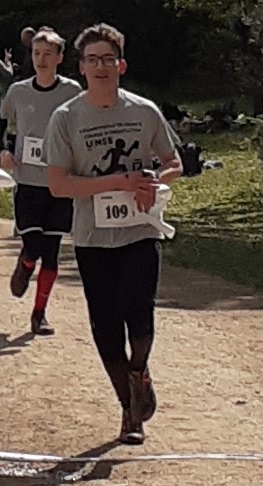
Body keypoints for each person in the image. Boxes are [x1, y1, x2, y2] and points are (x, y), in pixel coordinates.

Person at [45, 23, 182, 445]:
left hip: (140, 230)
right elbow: (58, 184)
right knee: (106, 326)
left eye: (108, 59)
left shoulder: (144, 111)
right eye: (93, 60)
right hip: (93, 237)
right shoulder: (66, 118)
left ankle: (139, 371)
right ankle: (129, 411)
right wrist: (116, 182)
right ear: (81, 68)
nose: (101, 67)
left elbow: (173, 162)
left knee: (139, 316)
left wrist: (154, 180)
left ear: (121, 65)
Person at [0, 27, 81, 336]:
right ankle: (25, 262)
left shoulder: (72, 92)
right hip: (28, 181)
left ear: (59, 57)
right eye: (36, 53)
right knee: (33, 244)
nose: (41, 59)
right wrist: (3, 150)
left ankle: (39, 313)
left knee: (52, 251)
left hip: (59, 183)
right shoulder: (18, 91)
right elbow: (1, 122)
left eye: (48, 54)